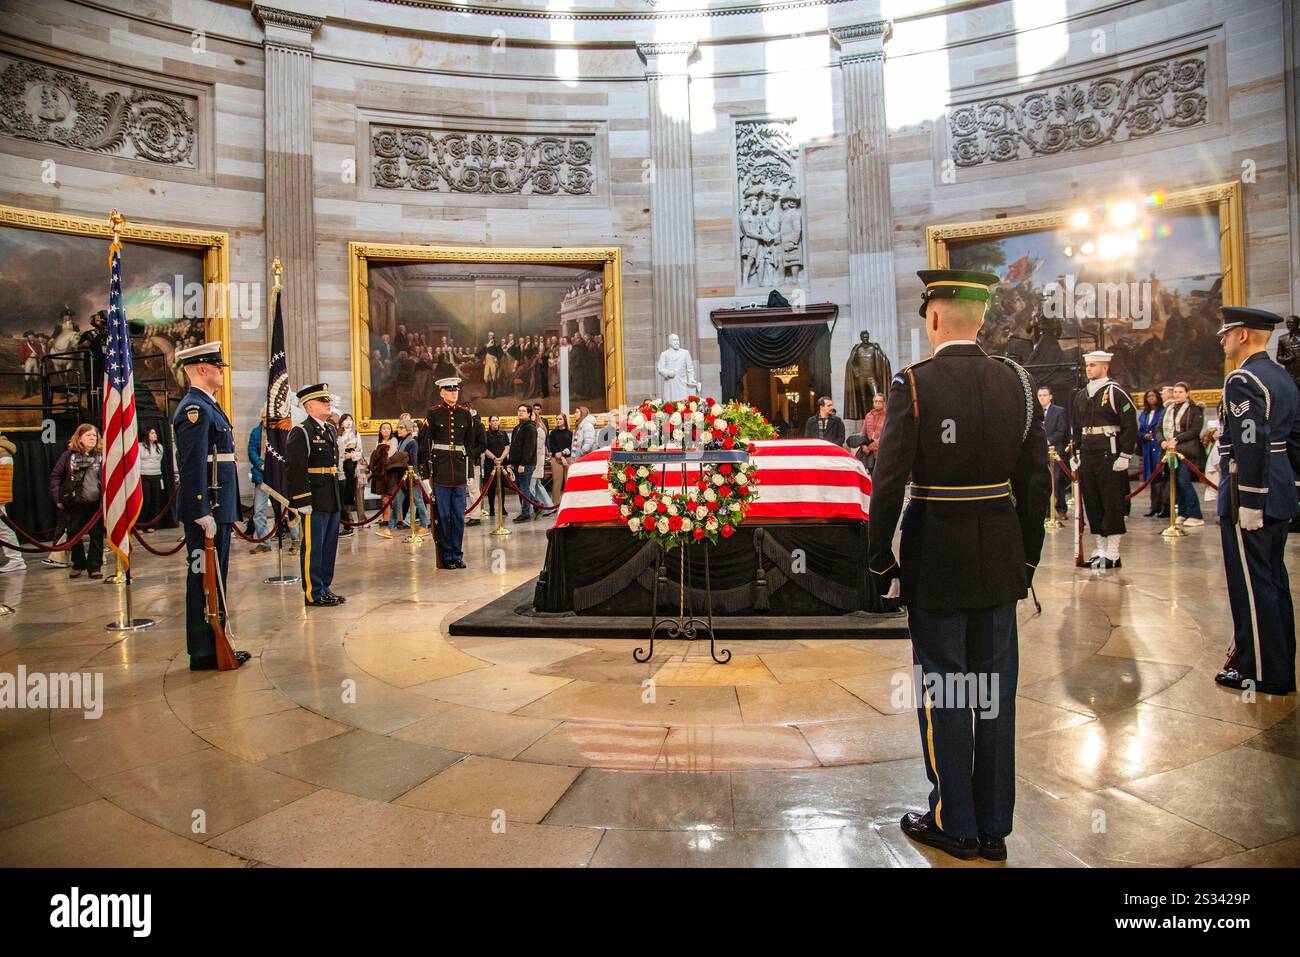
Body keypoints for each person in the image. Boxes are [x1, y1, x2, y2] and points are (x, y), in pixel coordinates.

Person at [868, 269, 1048, 862]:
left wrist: (879, 559)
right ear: (984, 319)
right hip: (999, 554)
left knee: (945, 687)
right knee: (994, 691)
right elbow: (1035, 479)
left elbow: (889, 479)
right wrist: (1026, 556)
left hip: (935, 556)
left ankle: (954, 820)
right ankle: (994, 824)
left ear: (936, 317)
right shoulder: (1017, 383)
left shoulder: (914, 384)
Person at [1212, 307, 1298, 697]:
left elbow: (1250, 442)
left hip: (1251, 493)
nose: (1223, 340)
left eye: (1225, 334)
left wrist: (1250, 502)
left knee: (1252, 584)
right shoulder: (1281, 376)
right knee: (1273, 580)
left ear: (1242, 335)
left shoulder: (1243, 379)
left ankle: (1259, 670)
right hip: (1278, 488)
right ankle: (1278, 663)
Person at [172, 342, 250, 670]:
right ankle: (204, 651)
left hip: (220, 506)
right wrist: (200, 509)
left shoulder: (208, 405)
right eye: (217, 366)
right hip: (210, 508)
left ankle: (216, 641)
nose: (221, 371)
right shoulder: (195, 409)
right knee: (203, 577)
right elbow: (192, 464)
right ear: (201, 369)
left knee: (215, 577)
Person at [1071, 350, 1137, 569]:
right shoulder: (1082, 394)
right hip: (1088, 452)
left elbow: (1130, 424)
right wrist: (1076, 453)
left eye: (1093, 365)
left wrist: (1125, 454)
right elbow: (1076, 427)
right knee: (1093, 501)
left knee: (1111, 501)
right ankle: (1100, 549)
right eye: (1087, 365)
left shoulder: (1116, 392)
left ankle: (1113, 552)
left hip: (1109, 452)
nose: (1089, 369)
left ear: (1105, 367)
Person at [286, 383, 344, 606]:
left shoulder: (329, 429)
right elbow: (295, 468)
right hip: (314, 497)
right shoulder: (301, 432)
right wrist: (302, 500)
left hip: (331, 494)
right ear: (309, 407)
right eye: (323, 401)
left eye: (328, 400)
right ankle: (313, 592)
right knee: (313, 546)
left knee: (329, 545)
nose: (328, 404)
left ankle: (325, 587)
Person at [425, 377, 475, 568]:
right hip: (441, 471)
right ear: (441, 393)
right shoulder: (434, 413)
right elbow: (425, 443)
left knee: (458, 516)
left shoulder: (465, 414)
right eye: (449, 390)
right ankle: (446, 556)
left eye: (456, 390)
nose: (454, 393)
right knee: (444, 516)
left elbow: (469, 445)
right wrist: (425, 474)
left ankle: (457, 554)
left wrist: (469, 473)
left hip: (459, 471)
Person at [49, 424, 105, 580]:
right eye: (88, 435)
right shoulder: (68, 456)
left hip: (95, 503)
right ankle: (78, 563)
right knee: (74, 533)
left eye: (94, 435)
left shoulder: (102, 456)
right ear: (79, 438)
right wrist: (57, 497)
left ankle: (94, 566)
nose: (92, 438)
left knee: (97, 535)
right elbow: (55, 476)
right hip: (74, 502)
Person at [1162, 381, 1206, 527]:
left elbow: (1194, 430)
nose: (1177, 394)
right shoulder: (1169, 409)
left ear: (1187, 393)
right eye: (1175, 392)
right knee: (1175, 482)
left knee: (1183, 481)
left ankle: (1195, 514)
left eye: (1180, 392)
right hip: (1170, 450)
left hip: (1186, 451)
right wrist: (1162, 441)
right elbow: (1158, 427)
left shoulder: (1195, 410)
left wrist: (1176, 439)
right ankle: (1183, 512)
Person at [381, 418, 428, 537]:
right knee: (397, 502)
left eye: (401, 428)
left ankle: (424, 525)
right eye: (398, 427)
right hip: (403, 477)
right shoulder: (402, 441)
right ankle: (390, 528)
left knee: (418, 500)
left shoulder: (412, 442)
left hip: (412, 476)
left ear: (407, 429)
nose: (398, 430)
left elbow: (412, 460)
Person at [1039, 386, 1069, 523]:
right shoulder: (1035, 413)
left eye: (1044, 395)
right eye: (1039, 395)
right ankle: (1046, 510)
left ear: (1050, 396)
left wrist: (1048, 441)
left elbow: (1061, 431)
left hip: (1055, 451)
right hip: (1040, 453)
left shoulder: (1059, 411)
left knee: (1057, 482)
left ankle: (1061, 508)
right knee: (1043, 482)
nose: (1042, 398)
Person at [1137, 389, 1166, 517]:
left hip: (1159, 446)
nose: (1151, 398)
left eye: (1153, 396)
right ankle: (1154, 506)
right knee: (1152, 477)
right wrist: (1144, 436)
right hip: (1147, 447)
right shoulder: (1144, 413)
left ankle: (1164, 507)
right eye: (1148, 396)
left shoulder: (1163, 412)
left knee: (1161, 476)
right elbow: (1140, 430)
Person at [509, 403, 538, 523]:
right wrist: (511, 462)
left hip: (526, 463)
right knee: (521, 488)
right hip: (516, 463)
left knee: (524, 488)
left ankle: (525, 513)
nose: (520, 412)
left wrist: (523, 464)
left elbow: (529, 448)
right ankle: (537, 504)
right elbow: (514, 446)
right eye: (519, 410)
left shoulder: (530, 428)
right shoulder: (517, 427)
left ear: (529, 413)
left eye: (523, 411)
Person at [0, 431, 25, 572]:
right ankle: (16, 559)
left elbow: (2, 481)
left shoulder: (2, 452)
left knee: (4, 530)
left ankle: (16, 560)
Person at [847, 393, 886, 472]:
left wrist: (870, 447)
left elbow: (885, 436)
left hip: (882, 452)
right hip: (868, 453)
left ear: (884, 403)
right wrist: (863, 445)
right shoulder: (868, 415)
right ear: (873, 402)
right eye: (876, 401)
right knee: (869, 474)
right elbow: (863, 432)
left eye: (880, 401)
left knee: (880, 475)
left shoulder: (888, 416)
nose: (877, 403)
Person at [138, 427, 167, 532]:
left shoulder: (159, 447)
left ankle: (152, 525)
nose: (155, 435)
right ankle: (140, 525)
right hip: (144, 475)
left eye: (155, 433)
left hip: (156, 475)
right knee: (146, 500)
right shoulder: (140, 447)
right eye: (152, 433)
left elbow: (159, 459)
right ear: (147, 434)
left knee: (156, 500)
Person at [336, 412, 361, 536]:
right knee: (340, 495)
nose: (348, 422)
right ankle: (345, 520)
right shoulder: (337, 435)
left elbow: (359, 452)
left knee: (348, 493)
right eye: (346, 420)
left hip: (350, 465)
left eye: (350, 419)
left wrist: (351, 455)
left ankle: (348, 521)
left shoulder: (355, 434)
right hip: (339, 465)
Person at [369, 421, 397, 524]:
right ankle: (384, 517)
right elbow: (374, 456)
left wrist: (380, 456)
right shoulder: (379, 442)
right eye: (384, 428)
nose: (386, 430)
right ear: (380, 430)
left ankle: (390, 519)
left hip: (389, 471)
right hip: (380, 471)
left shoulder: (393, 440)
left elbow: (390, 454)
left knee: (390, 495)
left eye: (388, 428)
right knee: (383, 495)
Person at [482, 415, 510, 518]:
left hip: (502, 463)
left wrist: (501, 458)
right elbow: (484, 449)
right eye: (493, 421)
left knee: (501, 487)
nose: (495, 422)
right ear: (489, 423)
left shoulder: (503, 433)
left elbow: (507, 447)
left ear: (499, 422)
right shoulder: (486, 434)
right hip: (490, 464)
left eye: (496, 420)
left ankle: (502, 508)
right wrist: (494, 459)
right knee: (491, 487)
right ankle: (492, 509)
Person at [530, 408, 554, 514]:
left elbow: (537, 448)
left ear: (536, 417)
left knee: (532, 487)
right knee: (538, 486)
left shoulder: (539, 430)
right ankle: (549, 506)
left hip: (536, 463)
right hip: (535, 463)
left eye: (532, 416)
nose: (530, 417)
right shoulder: (534, 429)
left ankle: (531, 509)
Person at [548, 412, 573, 496]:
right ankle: (555, 505)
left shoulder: (570, 433)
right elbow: (552, 446)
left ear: (564, 420)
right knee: (557, 483)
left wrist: (563, 454)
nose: (558, 421)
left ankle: (569, 504)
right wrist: (561, 457)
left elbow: (571, 446)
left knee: (568, 482)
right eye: (557, 419)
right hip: (556, 459)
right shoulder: (553, 433)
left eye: (560, 419)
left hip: (568, 459)